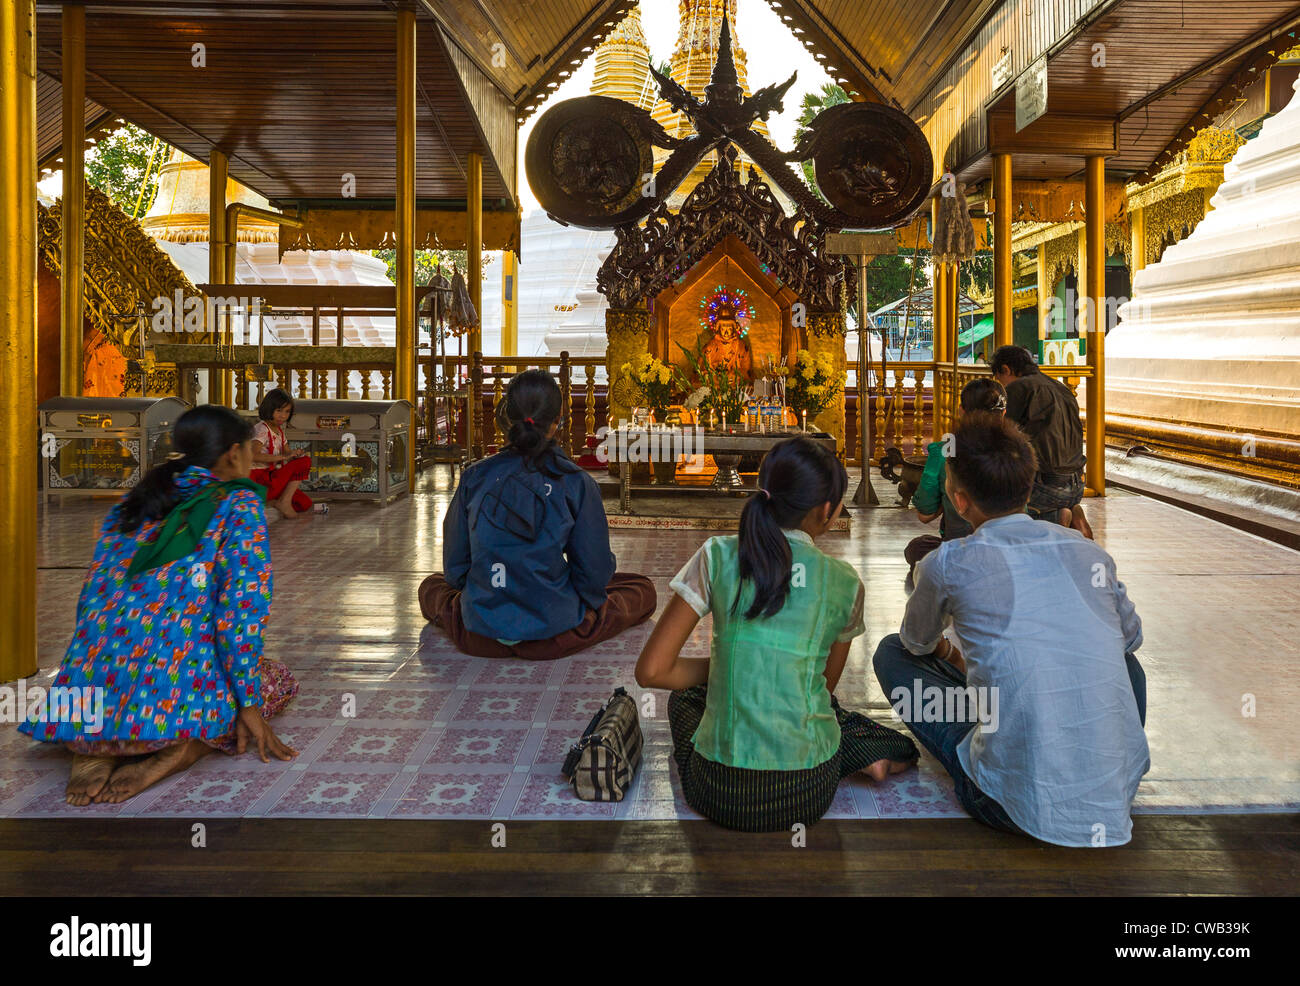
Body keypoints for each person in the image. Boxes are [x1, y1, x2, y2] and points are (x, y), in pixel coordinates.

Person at [873, 413, 1149, 847]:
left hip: (1003, 805)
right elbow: (1131, 640)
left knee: (891, 652)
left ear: (959, 501)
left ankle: (993, 756)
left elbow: (915, 642)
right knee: (1124, 660)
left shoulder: (948, 561)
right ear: (1028, 486)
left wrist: (950, 656)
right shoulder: (1086, 552)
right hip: (1115, 796)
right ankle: (1099, 761)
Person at [21, 405, 299, 806]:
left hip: (89, 686)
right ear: (233, 455)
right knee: (277, 678)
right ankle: (184, 748)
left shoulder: (138, 498)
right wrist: (249, 703)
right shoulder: (238, 505)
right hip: (171, 701)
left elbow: (92, 595)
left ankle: (87, 750)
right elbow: (240, 614)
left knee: (125, 654)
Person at [637, 437, 918, 832]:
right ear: (827, 510)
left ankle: (858, 754)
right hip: (807, 791)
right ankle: (868, 757)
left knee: (685, 700)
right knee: (864, 728)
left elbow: (651, 672)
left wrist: (726, 668)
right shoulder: (844, 582)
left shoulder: (717, 554)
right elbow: (824, 686)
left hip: (718, 792)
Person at [420, 369, 656, 659]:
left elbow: (455, 571)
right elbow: (593, 576)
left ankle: (496, 621)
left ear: (506, 416)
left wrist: (490, 592)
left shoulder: (475, 476)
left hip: (480, 631)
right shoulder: (576, 481)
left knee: (431, 587)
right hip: (554, 633)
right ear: (558, 421)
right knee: (641, 589)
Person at [905, 376, 1008, 578]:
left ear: (961, 411)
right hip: (1008, 549)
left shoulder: (945, 450)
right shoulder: (1020, 450)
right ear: (1004, 413)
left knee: (916, 548)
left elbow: (924, 514)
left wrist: (946, 498)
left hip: (960, 547)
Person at [991, 344, 1092, 537]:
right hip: (1077, 484)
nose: (1001, 385)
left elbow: (1003, 437)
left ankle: (1055, 518)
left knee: (996, 501)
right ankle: (1071, 511)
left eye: (999, 378)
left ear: (1006, 369)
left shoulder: (1018, 387)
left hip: (1046, 487)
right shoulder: (1060, 387)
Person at [251, 389, 327, 518]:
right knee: (305, 462)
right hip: (260, 479)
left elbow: (287, 452)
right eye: (279, 411)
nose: (283, 416)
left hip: (273, 477)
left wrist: (295, 453)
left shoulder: (279, 431)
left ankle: (274, 502)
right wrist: (282, 457)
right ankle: (283, 501)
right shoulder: (262, 429)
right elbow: (253, 455)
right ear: (269, 409)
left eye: (287, 412)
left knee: (304, 503)